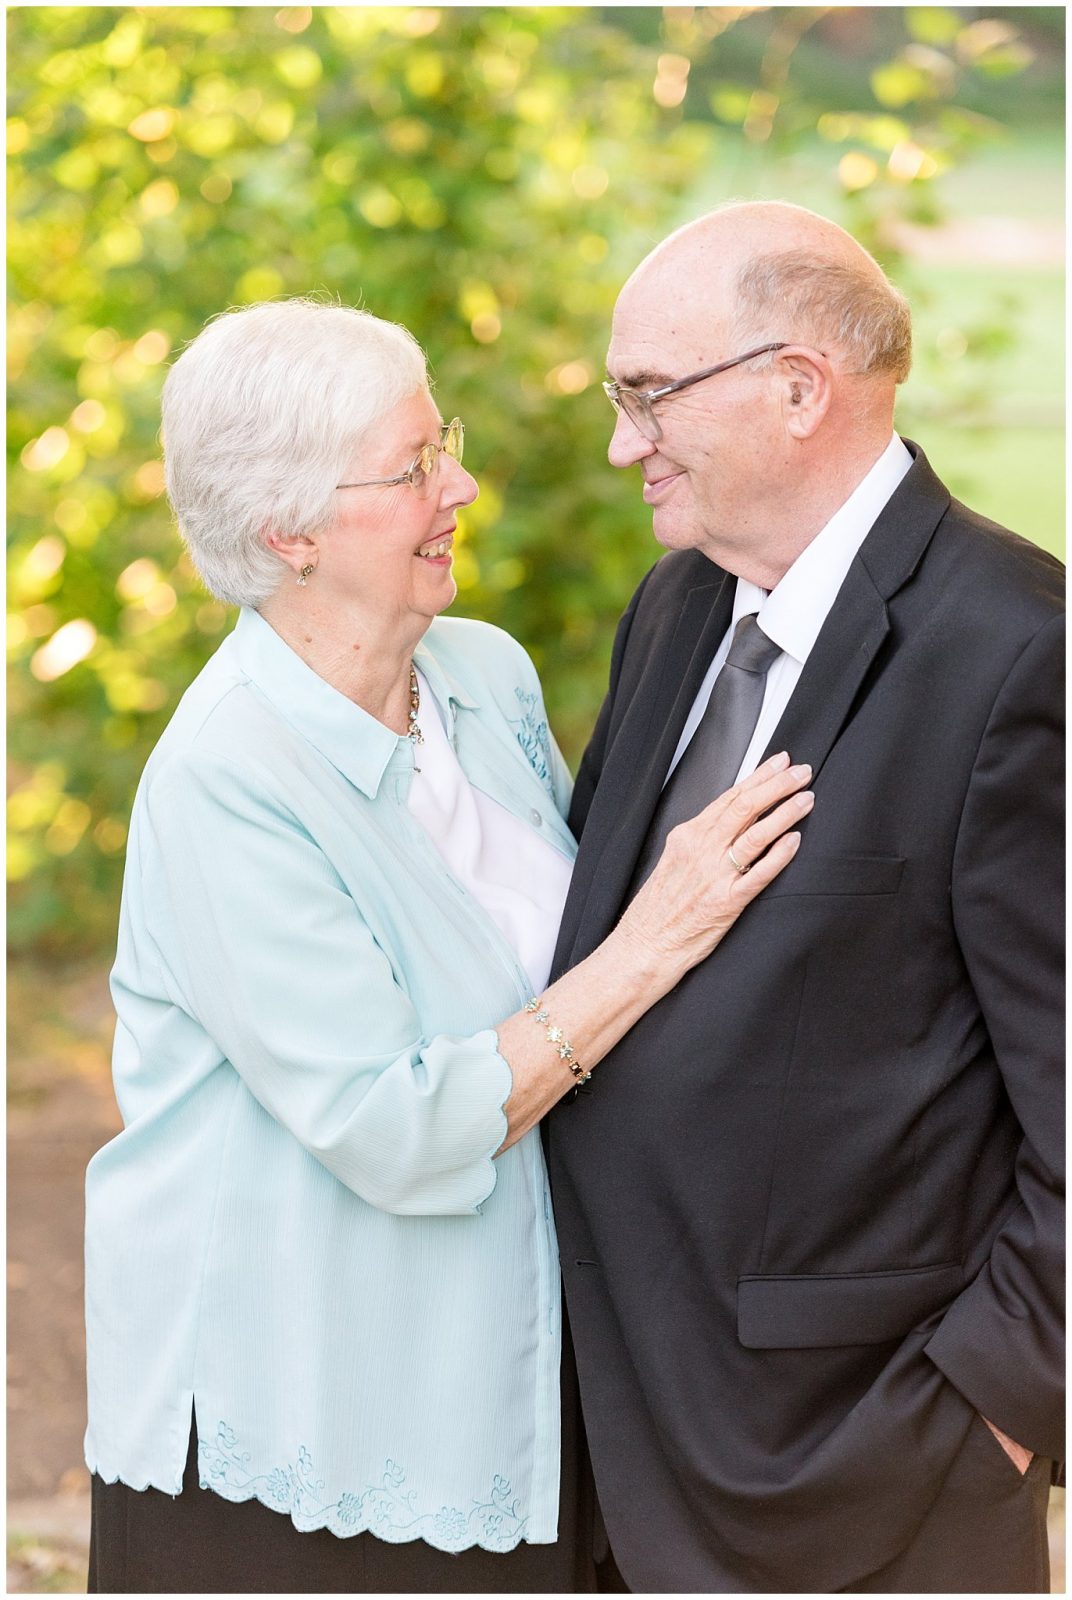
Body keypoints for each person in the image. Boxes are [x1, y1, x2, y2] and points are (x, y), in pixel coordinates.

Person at [83, 297, 813, 1594]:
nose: (461, 484)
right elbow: (394, 1125)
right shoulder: (228, 778)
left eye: (446, 442)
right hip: (304, 1423)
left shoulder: (483, 676)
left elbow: (545, 971)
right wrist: (658, 939)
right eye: (414, 467)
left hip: (511, 1372)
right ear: (288, 534)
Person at [546, 201, 1063, 1594]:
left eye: (648, 395)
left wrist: (993, 1414)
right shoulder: (675, 608)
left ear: (796, 389)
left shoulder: (1021, 650)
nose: (620, 442)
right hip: (607, 1442)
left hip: (861, 1475)